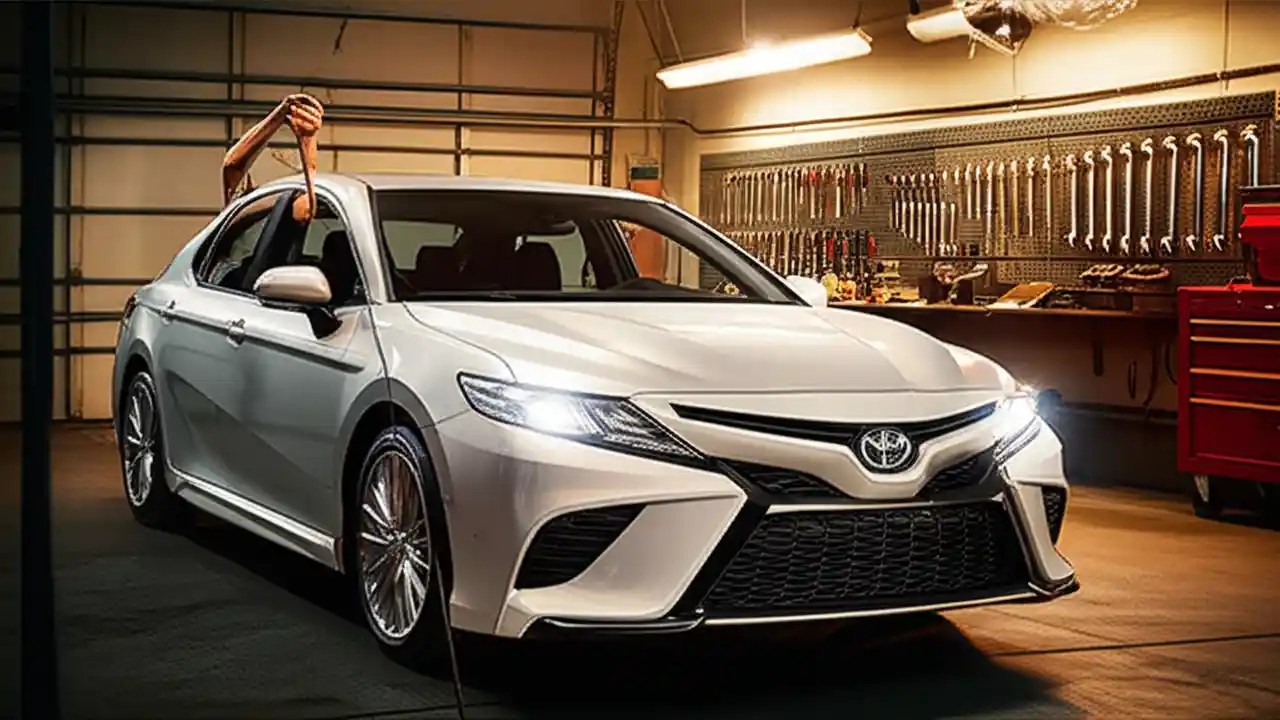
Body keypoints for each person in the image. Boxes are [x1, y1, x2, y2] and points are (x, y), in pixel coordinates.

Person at [221, 93, 325, 223]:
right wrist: (282, 114)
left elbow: (232, 167)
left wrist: (307, 137)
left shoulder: (250, 212)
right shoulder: (245, 212)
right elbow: (232, 167)